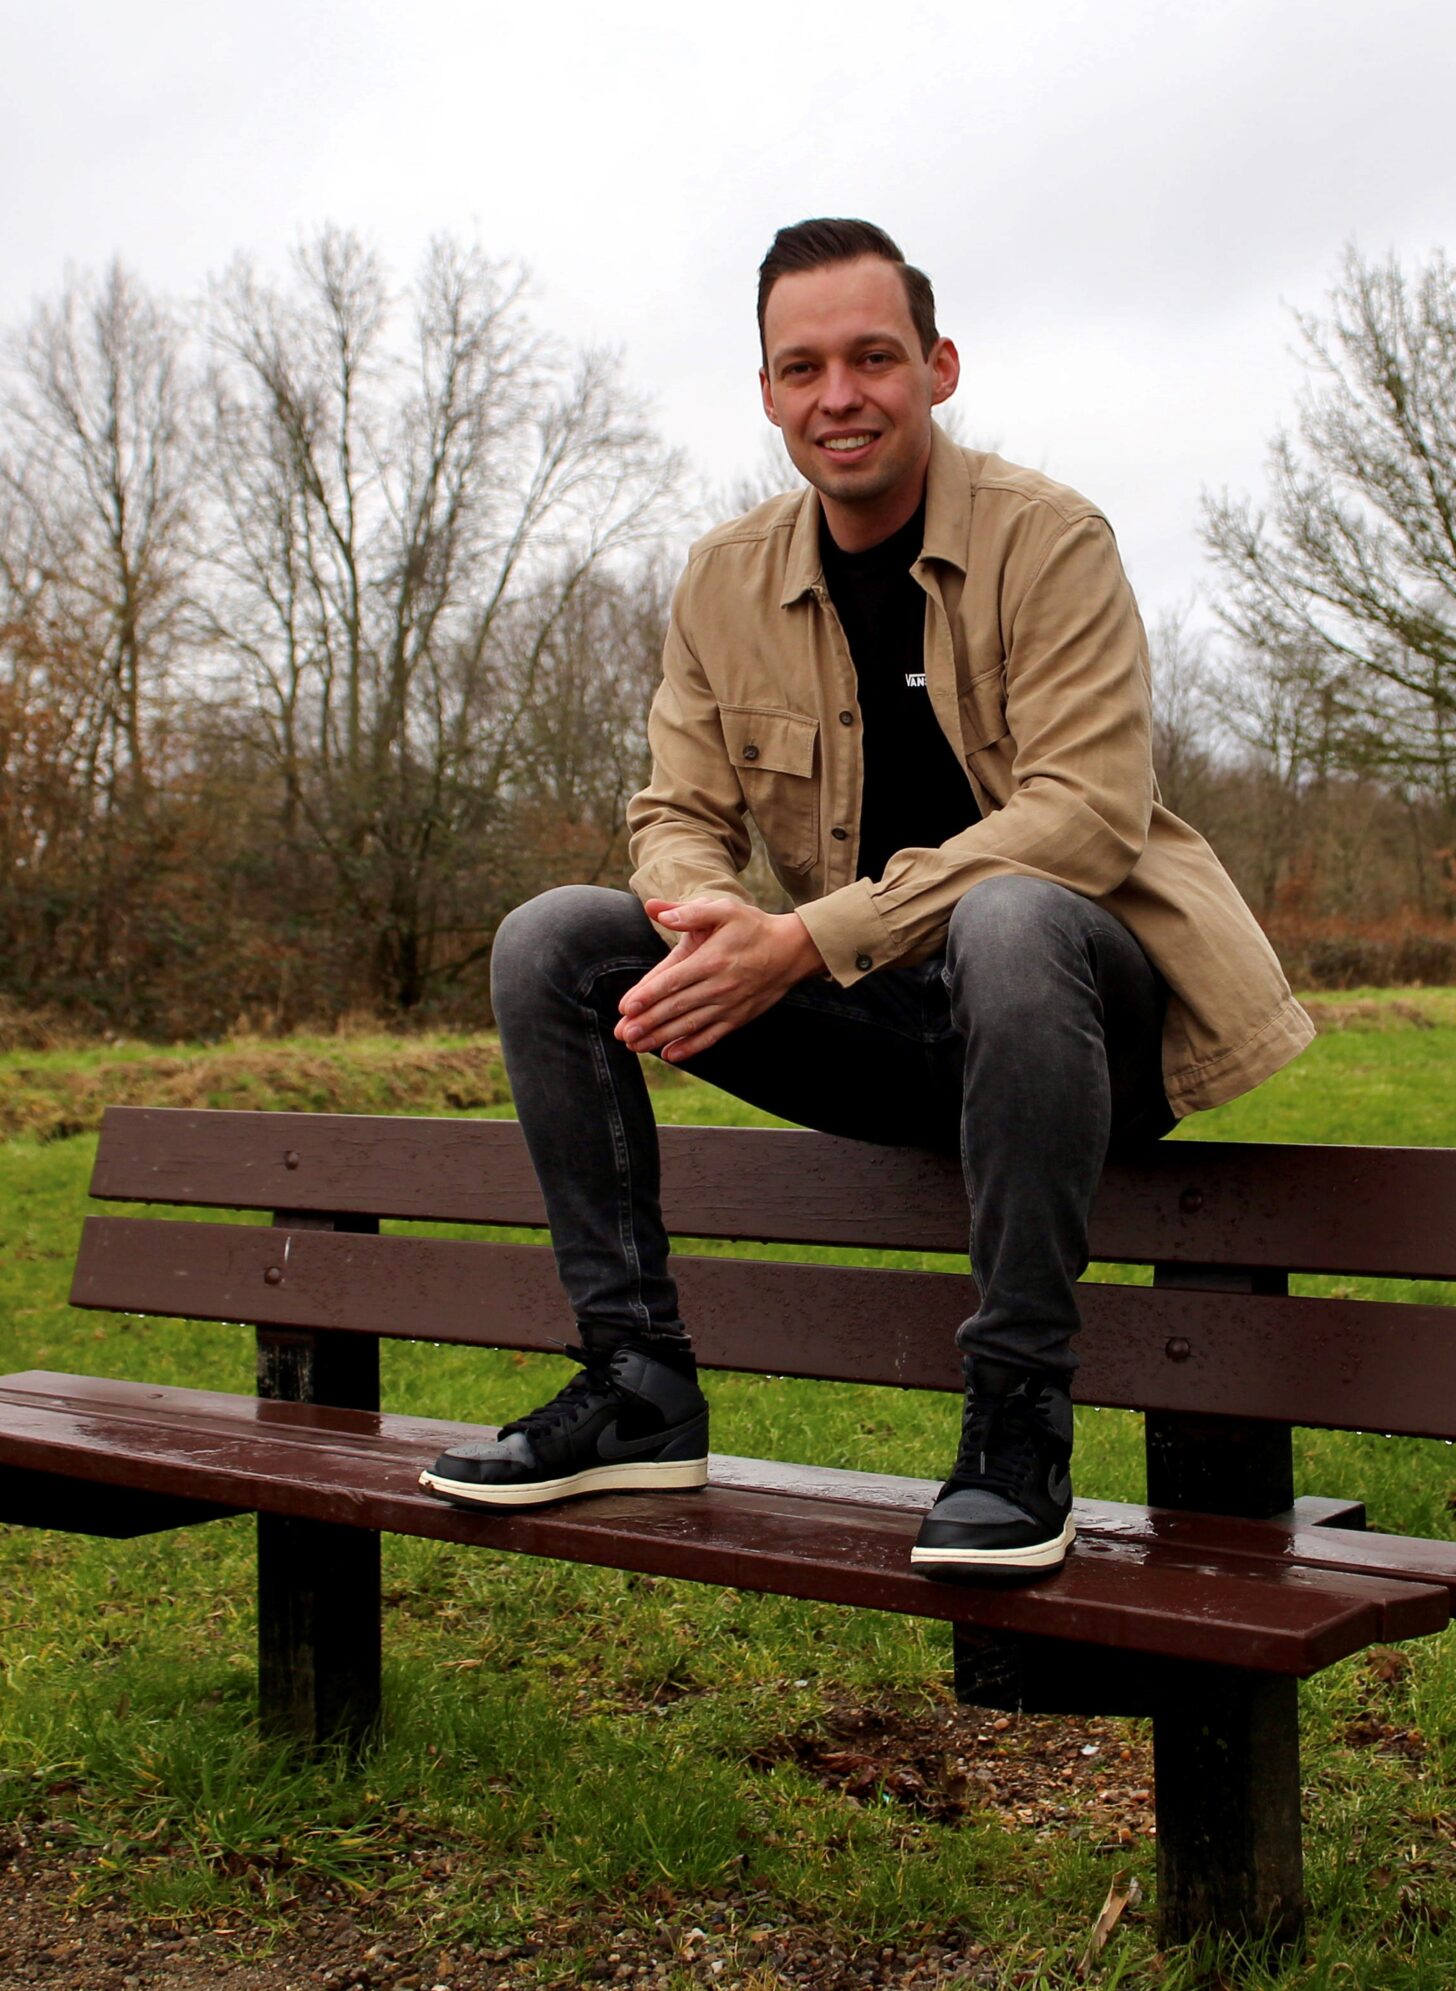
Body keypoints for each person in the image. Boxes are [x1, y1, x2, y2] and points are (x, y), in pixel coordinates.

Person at [419, 219, 1312, 1575]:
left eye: (874, 357)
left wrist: (807, 939)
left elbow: (1080, 818)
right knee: (555, 942)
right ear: (769, 392)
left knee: (1008, 918)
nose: (841, 395)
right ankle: (636, 1385)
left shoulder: (1050, 541)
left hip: (1083, 1027)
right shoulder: (726, 578)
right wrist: (703, 917)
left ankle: (1017, 1423)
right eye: (804, 367)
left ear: (939, 367)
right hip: (894, 1031)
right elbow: (675, 812)